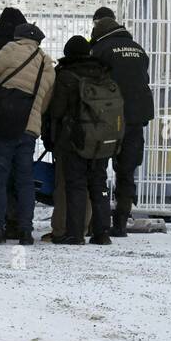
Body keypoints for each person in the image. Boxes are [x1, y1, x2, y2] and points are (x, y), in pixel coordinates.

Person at [0, 22, 55, 246]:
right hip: (29, 127)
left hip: (4, 124)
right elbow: (44, 103)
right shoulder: (47, 63)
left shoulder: (11, 50)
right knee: (24, 180)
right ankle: (26, 230)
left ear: (18, 36)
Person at [45, 35, 114, 246]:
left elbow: (56, 110)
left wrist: (51, 136)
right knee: (98, 184)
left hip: (74, 139)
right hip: (101, 140)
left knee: (74, 185)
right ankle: (101, 233)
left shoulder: (66, 76)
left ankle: (74, 234)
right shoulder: (104, 75)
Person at [90, 7, 153, 238]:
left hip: (108, 117)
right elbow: (143, 78)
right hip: (136, 116)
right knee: (126, 171)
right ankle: (121, 222)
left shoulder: (99, 49)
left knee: (98, 167)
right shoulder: (137, 48)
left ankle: (98, 222)